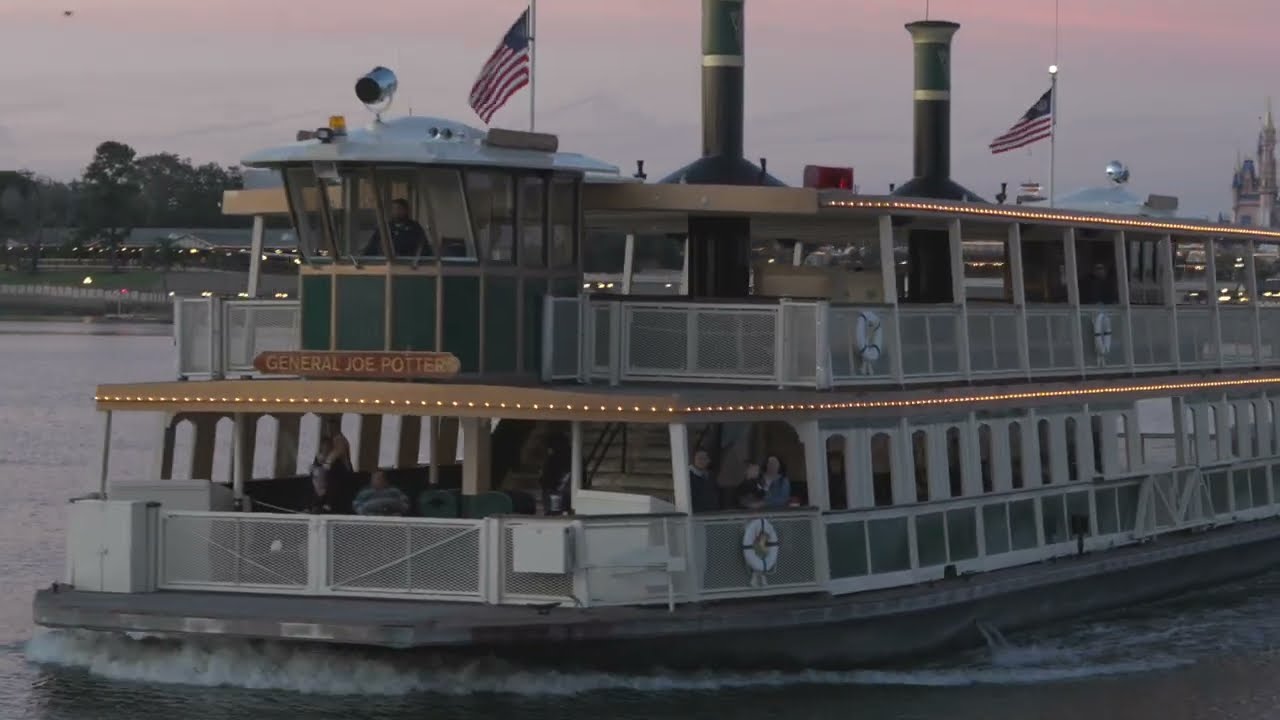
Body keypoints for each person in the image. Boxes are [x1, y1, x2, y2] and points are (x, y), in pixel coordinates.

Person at [362, 198, 429, 258]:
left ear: (406, 210)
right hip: (385, 265)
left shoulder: (415, 227)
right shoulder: (385, 228)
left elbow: (423, 248)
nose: (396, 212)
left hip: (409, 265)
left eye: (399, 208)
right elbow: (371, 247)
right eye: (394, 209)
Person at [539, 431, 572, 515]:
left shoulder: (552, 459)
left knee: (553, 512)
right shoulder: (576, 457)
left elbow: (546, 480)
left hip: (555, 493)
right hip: (568, 492)